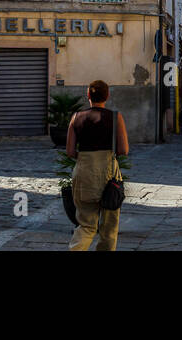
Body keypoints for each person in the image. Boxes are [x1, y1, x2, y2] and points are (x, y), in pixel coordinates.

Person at [65, 79, 128, 251]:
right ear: (107, 96)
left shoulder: (76, 117)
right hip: (108, 174)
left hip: (83, 172)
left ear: (88, 96)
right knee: (109, 228)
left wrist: (86, 156)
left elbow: (70, 151)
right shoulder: (115, 117)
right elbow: (123, 150)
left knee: (85, 224)